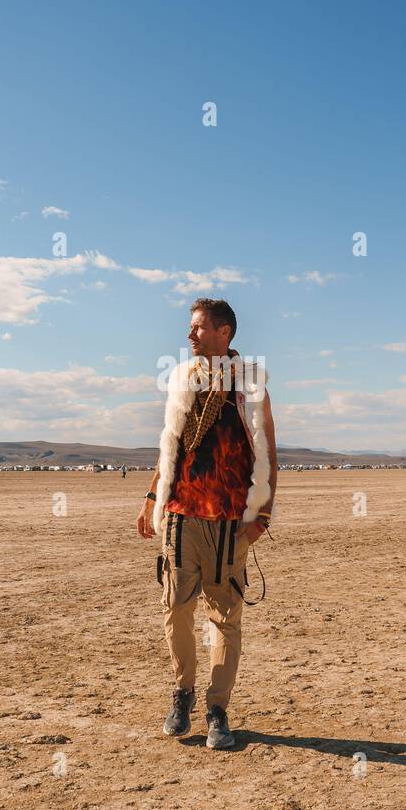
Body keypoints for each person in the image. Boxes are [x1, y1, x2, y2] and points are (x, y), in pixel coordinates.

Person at [136, 298, 277, 748]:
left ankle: (218, 709)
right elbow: (171, 447)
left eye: (198, 328)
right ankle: (183, 693)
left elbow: (269, 455)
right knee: (175, 610)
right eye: (190, 327)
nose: (190, 335)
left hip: (229, 523)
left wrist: (261, 518)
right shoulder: (183, 378)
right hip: (180, 517)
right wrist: (152, 497)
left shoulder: (250, 384)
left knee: (225, 618)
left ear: (225, 332)